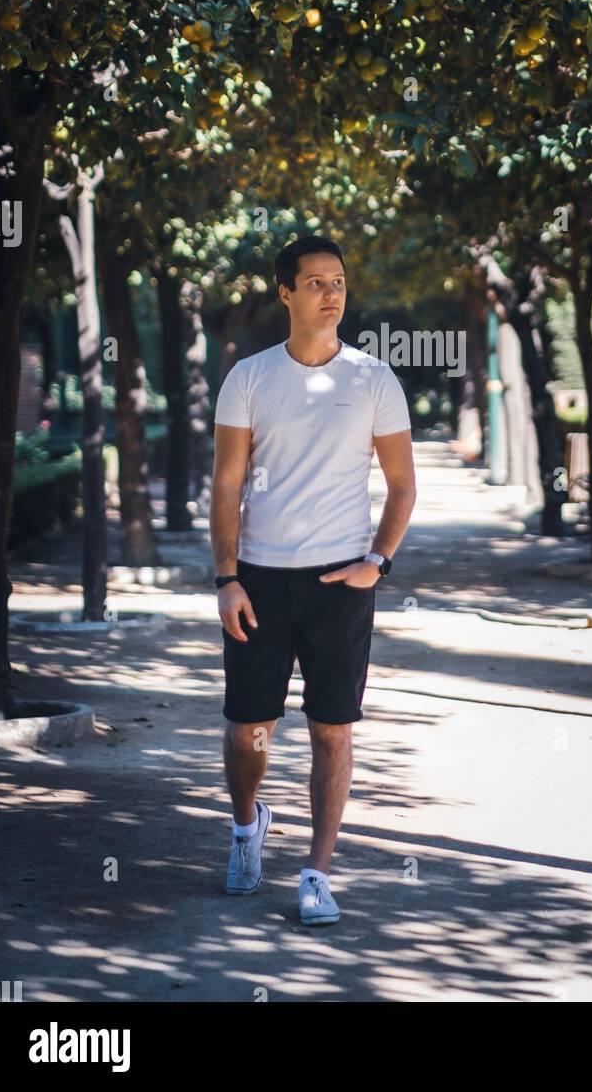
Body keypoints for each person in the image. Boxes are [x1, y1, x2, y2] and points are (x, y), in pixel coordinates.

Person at [210, 235, 416, 926]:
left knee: (333, 730)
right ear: (286, 293)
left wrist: (378, 562)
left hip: (340, 583)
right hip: (261, 580)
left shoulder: (374, 380)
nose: (331, 292)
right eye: (316, 281)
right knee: (249, 732)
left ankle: (317, 874)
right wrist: (226, 579)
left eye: (339, 280)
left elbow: (401, 486)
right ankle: (246, 828)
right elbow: (227, 485)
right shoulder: (249, 377)